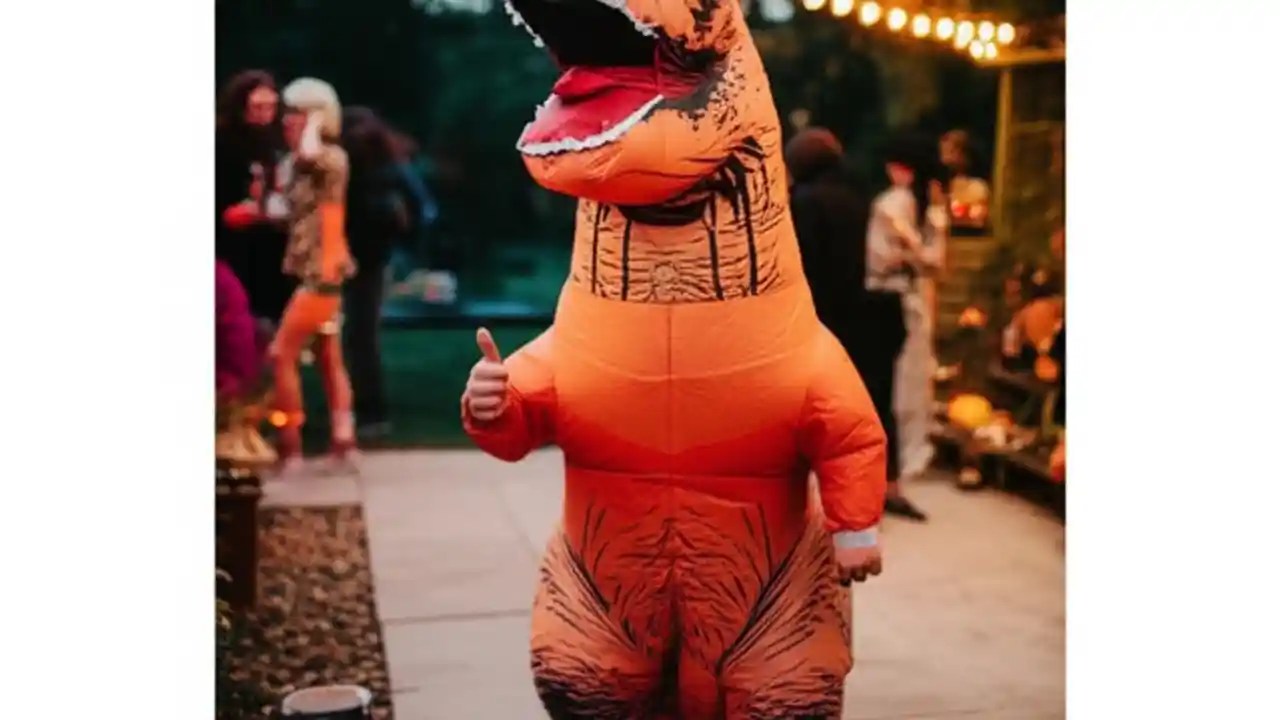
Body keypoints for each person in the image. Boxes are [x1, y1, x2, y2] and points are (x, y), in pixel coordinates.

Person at [463, 0, 885, 714]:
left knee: (784, 693)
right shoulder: (586, 325)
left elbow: (846, 427)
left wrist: (856, 522)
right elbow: (527, 412)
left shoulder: (786, 334)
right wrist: (494, 404)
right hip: (606, 587)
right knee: (583, 682)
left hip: (769, 592)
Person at [270, 78, 358, 474]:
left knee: (281, 354)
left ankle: (290, 444)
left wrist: (315, 125)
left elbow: (310, 154)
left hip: (323, 272)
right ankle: (344, 439)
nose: (287, 120)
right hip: (308, 268)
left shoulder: (330, 158)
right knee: (327, 357)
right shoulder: (295, 165)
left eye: (297, 113)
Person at [860, 133, 940, 522]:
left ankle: (881, 478)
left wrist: (902, 256)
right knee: (908, 385)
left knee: (880, 390)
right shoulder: (931, 209)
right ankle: (898, 472)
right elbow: (935, 261)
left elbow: (876, 260)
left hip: (883, 302)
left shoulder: (888, 205)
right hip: (915, 302)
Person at [341, 108, 432, 440]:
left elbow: (420, 211)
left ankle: (367, 410)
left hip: (366, 257)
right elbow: (423, 211)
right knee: (359, 337)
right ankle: (364, 411)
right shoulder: (386, 168)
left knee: (359, 336)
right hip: (367, 256)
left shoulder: (382, 170)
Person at [215, 70, 295, 323]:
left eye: (270, 107)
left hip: (272, 244)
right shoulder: (222, 143)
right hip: (234, 246)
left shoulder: (277, 142)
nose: (264, 114)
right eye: (257, 107)